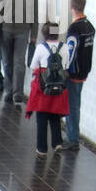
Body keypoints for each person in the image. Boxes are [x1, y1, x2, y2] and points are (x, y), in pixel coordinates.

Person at [25, 22, 70, 157]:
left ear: (44, 34)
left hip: (43, 87)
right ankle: (57, 143)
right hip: (60, 87)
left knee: (42, 117)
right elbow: (66, 66)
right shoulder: (65, 47)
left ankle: (42, 148)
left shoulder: (40, 48)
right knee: (55, 115)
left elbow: (33, 67)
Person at [0, 0, 38, 105]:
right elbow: (0, 12)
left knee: (19, 63)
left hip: (22, 30)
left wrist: (33, 33)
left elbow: (34, 13)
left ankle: (18, 93)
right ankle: (8, 90)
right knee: (7, 63)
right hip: (6, 30)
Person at [63, 0, 95, 151]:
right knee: (75, 104)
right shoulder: (90, 27)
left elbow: (70, 52)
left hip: (73, 72)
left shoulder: (75, 28)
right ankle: (72, 135)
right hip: (83, 71)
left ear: (72, 8)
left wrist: (65, 69)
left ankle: (72, 138)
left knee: (72, 105)